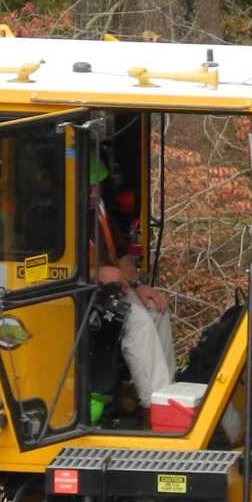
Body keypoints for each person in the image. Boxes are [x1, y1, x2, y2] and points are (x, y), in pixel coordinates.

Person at [88, 154, 174, 409]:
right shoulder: (56, 218)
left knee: (157, 309)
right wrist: (97, 273)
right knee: (138, 323)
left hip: (111, 291)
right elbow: (58, 268)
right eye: (88, 187)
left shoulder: (100, 214)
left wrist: (139, 286)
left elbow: (122, 256)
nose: (94, 193)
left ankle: (169, 393)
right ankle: (157, 406)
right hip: (80, 296)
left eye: (97, 186)